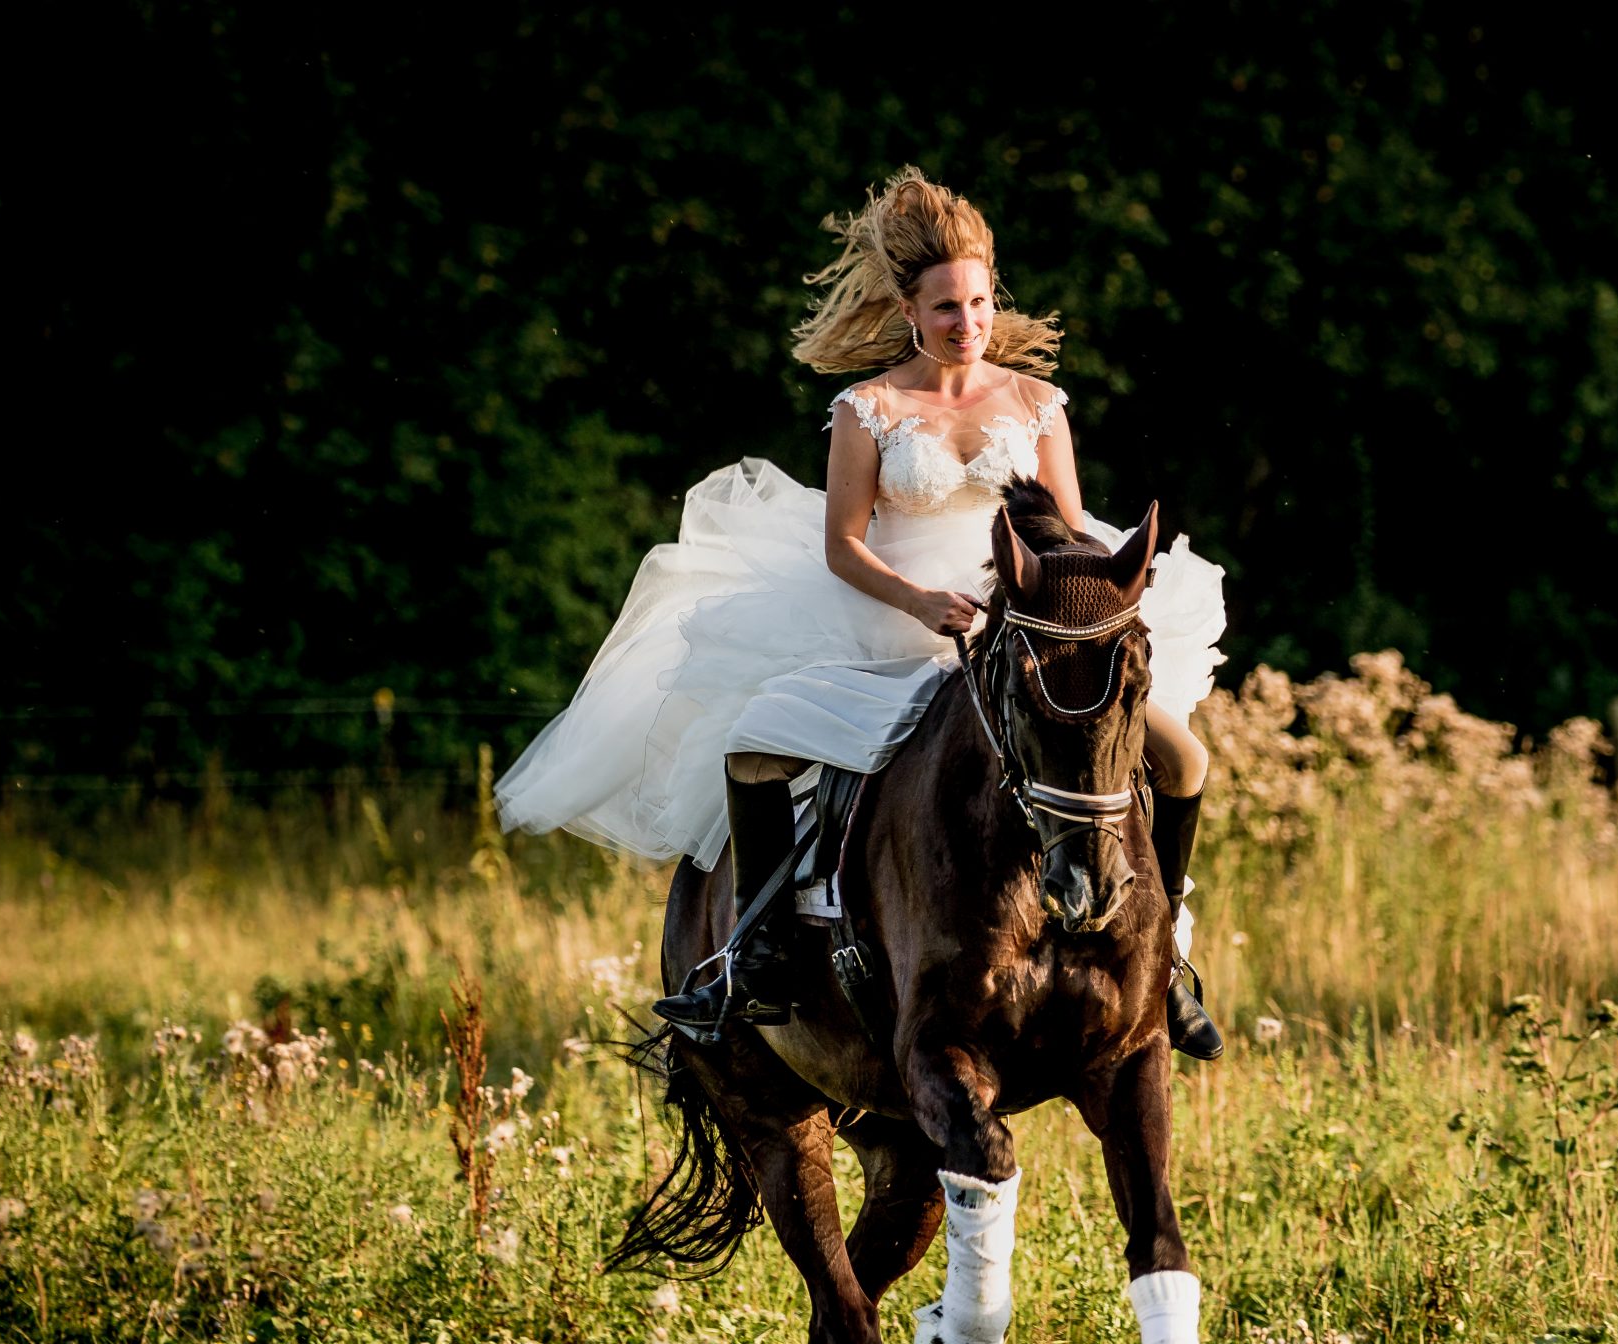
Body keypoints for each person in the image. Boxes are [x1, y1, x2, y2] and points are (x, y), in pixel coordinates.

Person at [496, 168, 1229, 1056]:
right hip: (889, 626)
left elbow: (1068, 534)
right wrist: (920, 600)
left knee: (1182, 756)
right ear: (910, 311)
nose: (969, 323)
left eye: (981, 302)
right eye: (948, 307)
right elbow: (844, 545)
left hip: (1021, 629)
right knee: (755, 739)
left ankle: (1171, 963)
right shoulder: (869, 409)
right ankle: (754, 952)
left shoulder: (1038, 403)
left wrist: (1050, 609)